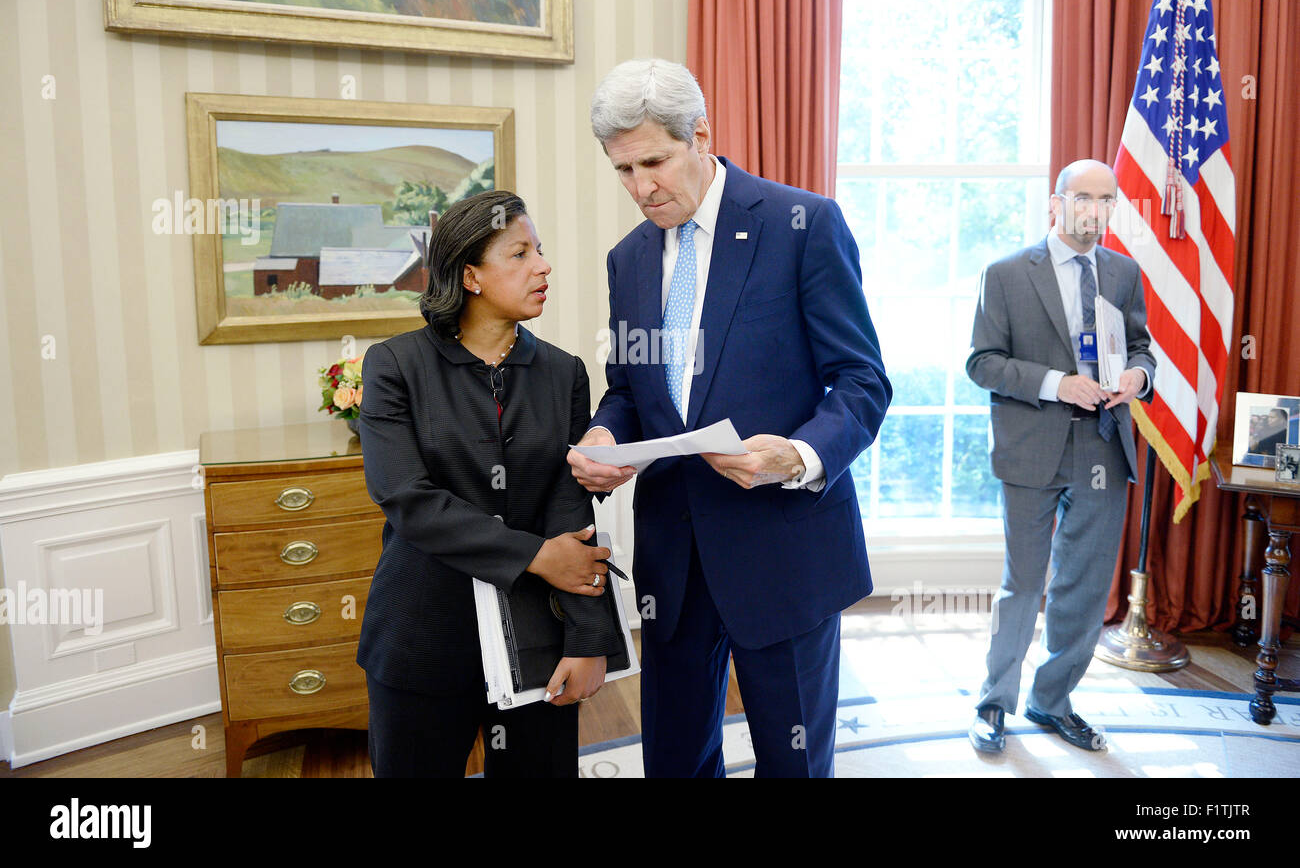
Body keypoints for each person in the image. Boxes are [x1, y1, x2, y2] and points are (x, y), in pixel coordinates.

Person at [566, 59, 891, 777]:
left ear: (701, 134)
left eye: (654, 161)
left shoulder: (802, 224)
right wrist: (604, 435)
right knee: (675, 762)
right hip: (672, 564)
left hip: (786, 552)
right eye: (622, 169)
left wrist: (798, 458)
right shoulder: (628, 260)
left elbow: (862, 382)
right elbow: (628, 388)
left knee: (793, 761)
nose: (641, 187)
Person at [356, 189, 624, 777]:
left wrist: (586, 640)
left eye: (541, 251)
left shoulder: (563, 372)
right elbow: (409, 501)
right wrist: (536, 557)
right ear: (470, 276)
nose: (543, 266)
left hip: (539, 639)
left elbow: (570, 511)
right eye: (520, 254)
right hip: (421, 639)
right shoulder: (394, 366)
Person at [966, 159, 1156, 754]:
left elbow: (1145, 350)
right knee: (1022, 584)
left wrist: (1137, 378)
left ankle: (1051, 702)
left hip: (1102, 443)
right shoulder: (1005, 274)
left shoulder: (1124, 275)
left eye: (1106, 200)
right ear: (1057, 203)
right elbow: (982, 362)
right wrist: (1055, 382)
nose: (1094, 210)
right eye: (1083, 198)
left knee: (1084, 584)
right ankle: (993, 703)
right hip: (1032, 446)